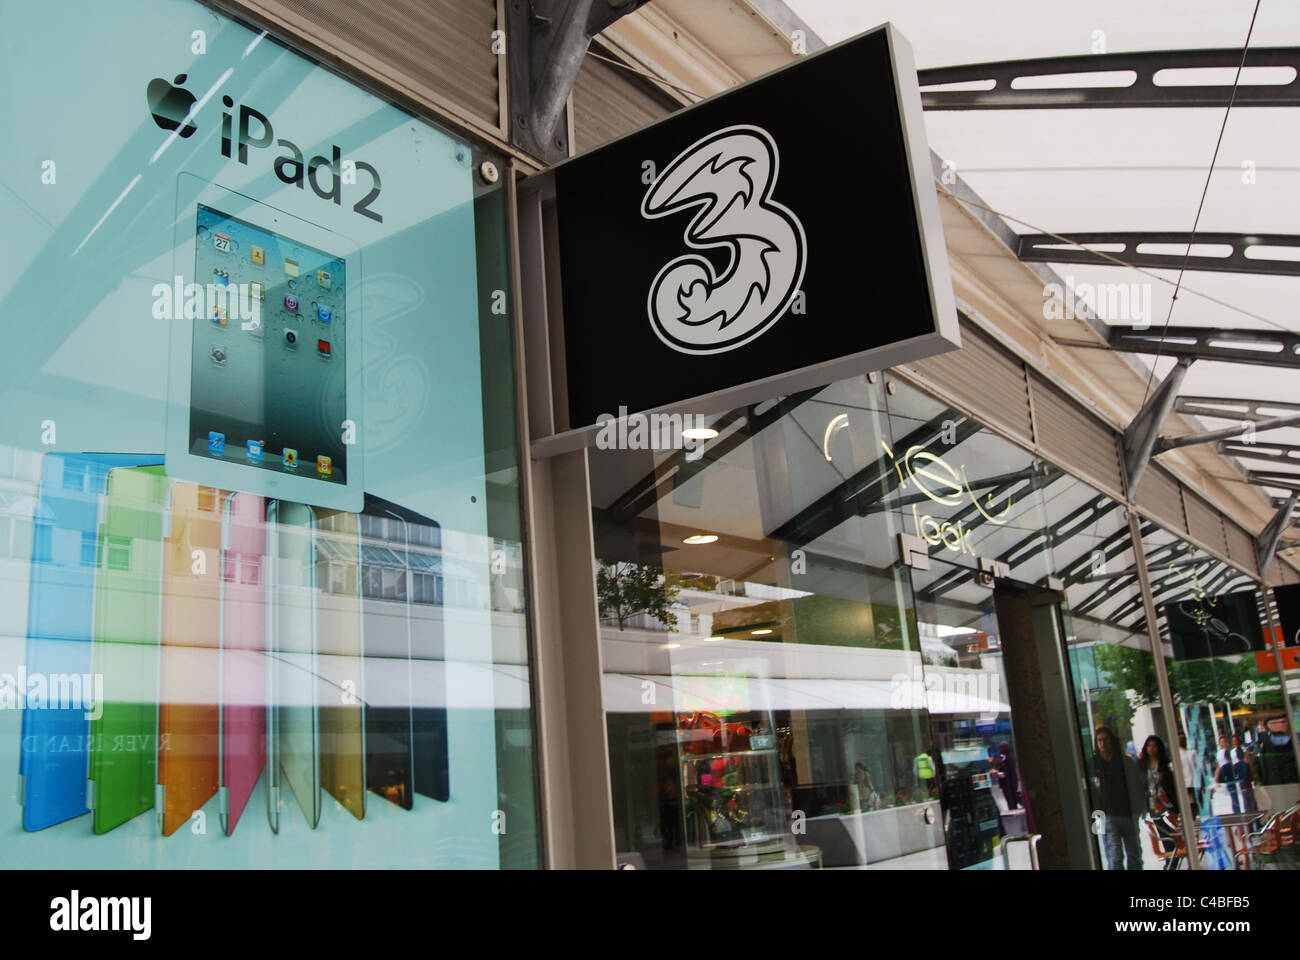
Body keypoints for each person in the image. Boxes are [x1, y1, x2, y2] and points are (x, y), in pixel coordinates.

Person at [1093, 726, 1142, 870]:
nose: (1102, 744)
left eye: (1105, 740)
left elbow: (1136, 785)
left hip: (1127, 812)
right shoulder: (1093, 764)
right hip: (1106, 815)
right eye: (1099, 740)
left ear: (1112, 741)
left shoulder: (1124, 762)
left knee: (1134, 854)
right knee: (1114, 855)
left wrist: (1137, 810)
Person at [1141, 735, 1179, 821]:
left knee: (1171, 823)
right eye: (1149, 746)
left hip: (1166, 798)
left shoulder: (1165, 762)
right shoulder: (1142, 764)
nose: (1151, 748)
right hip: (1152, 800)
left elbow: (1172, 780)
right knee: (1158, 824)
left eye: (1154, 746)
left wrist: (1164, 778)